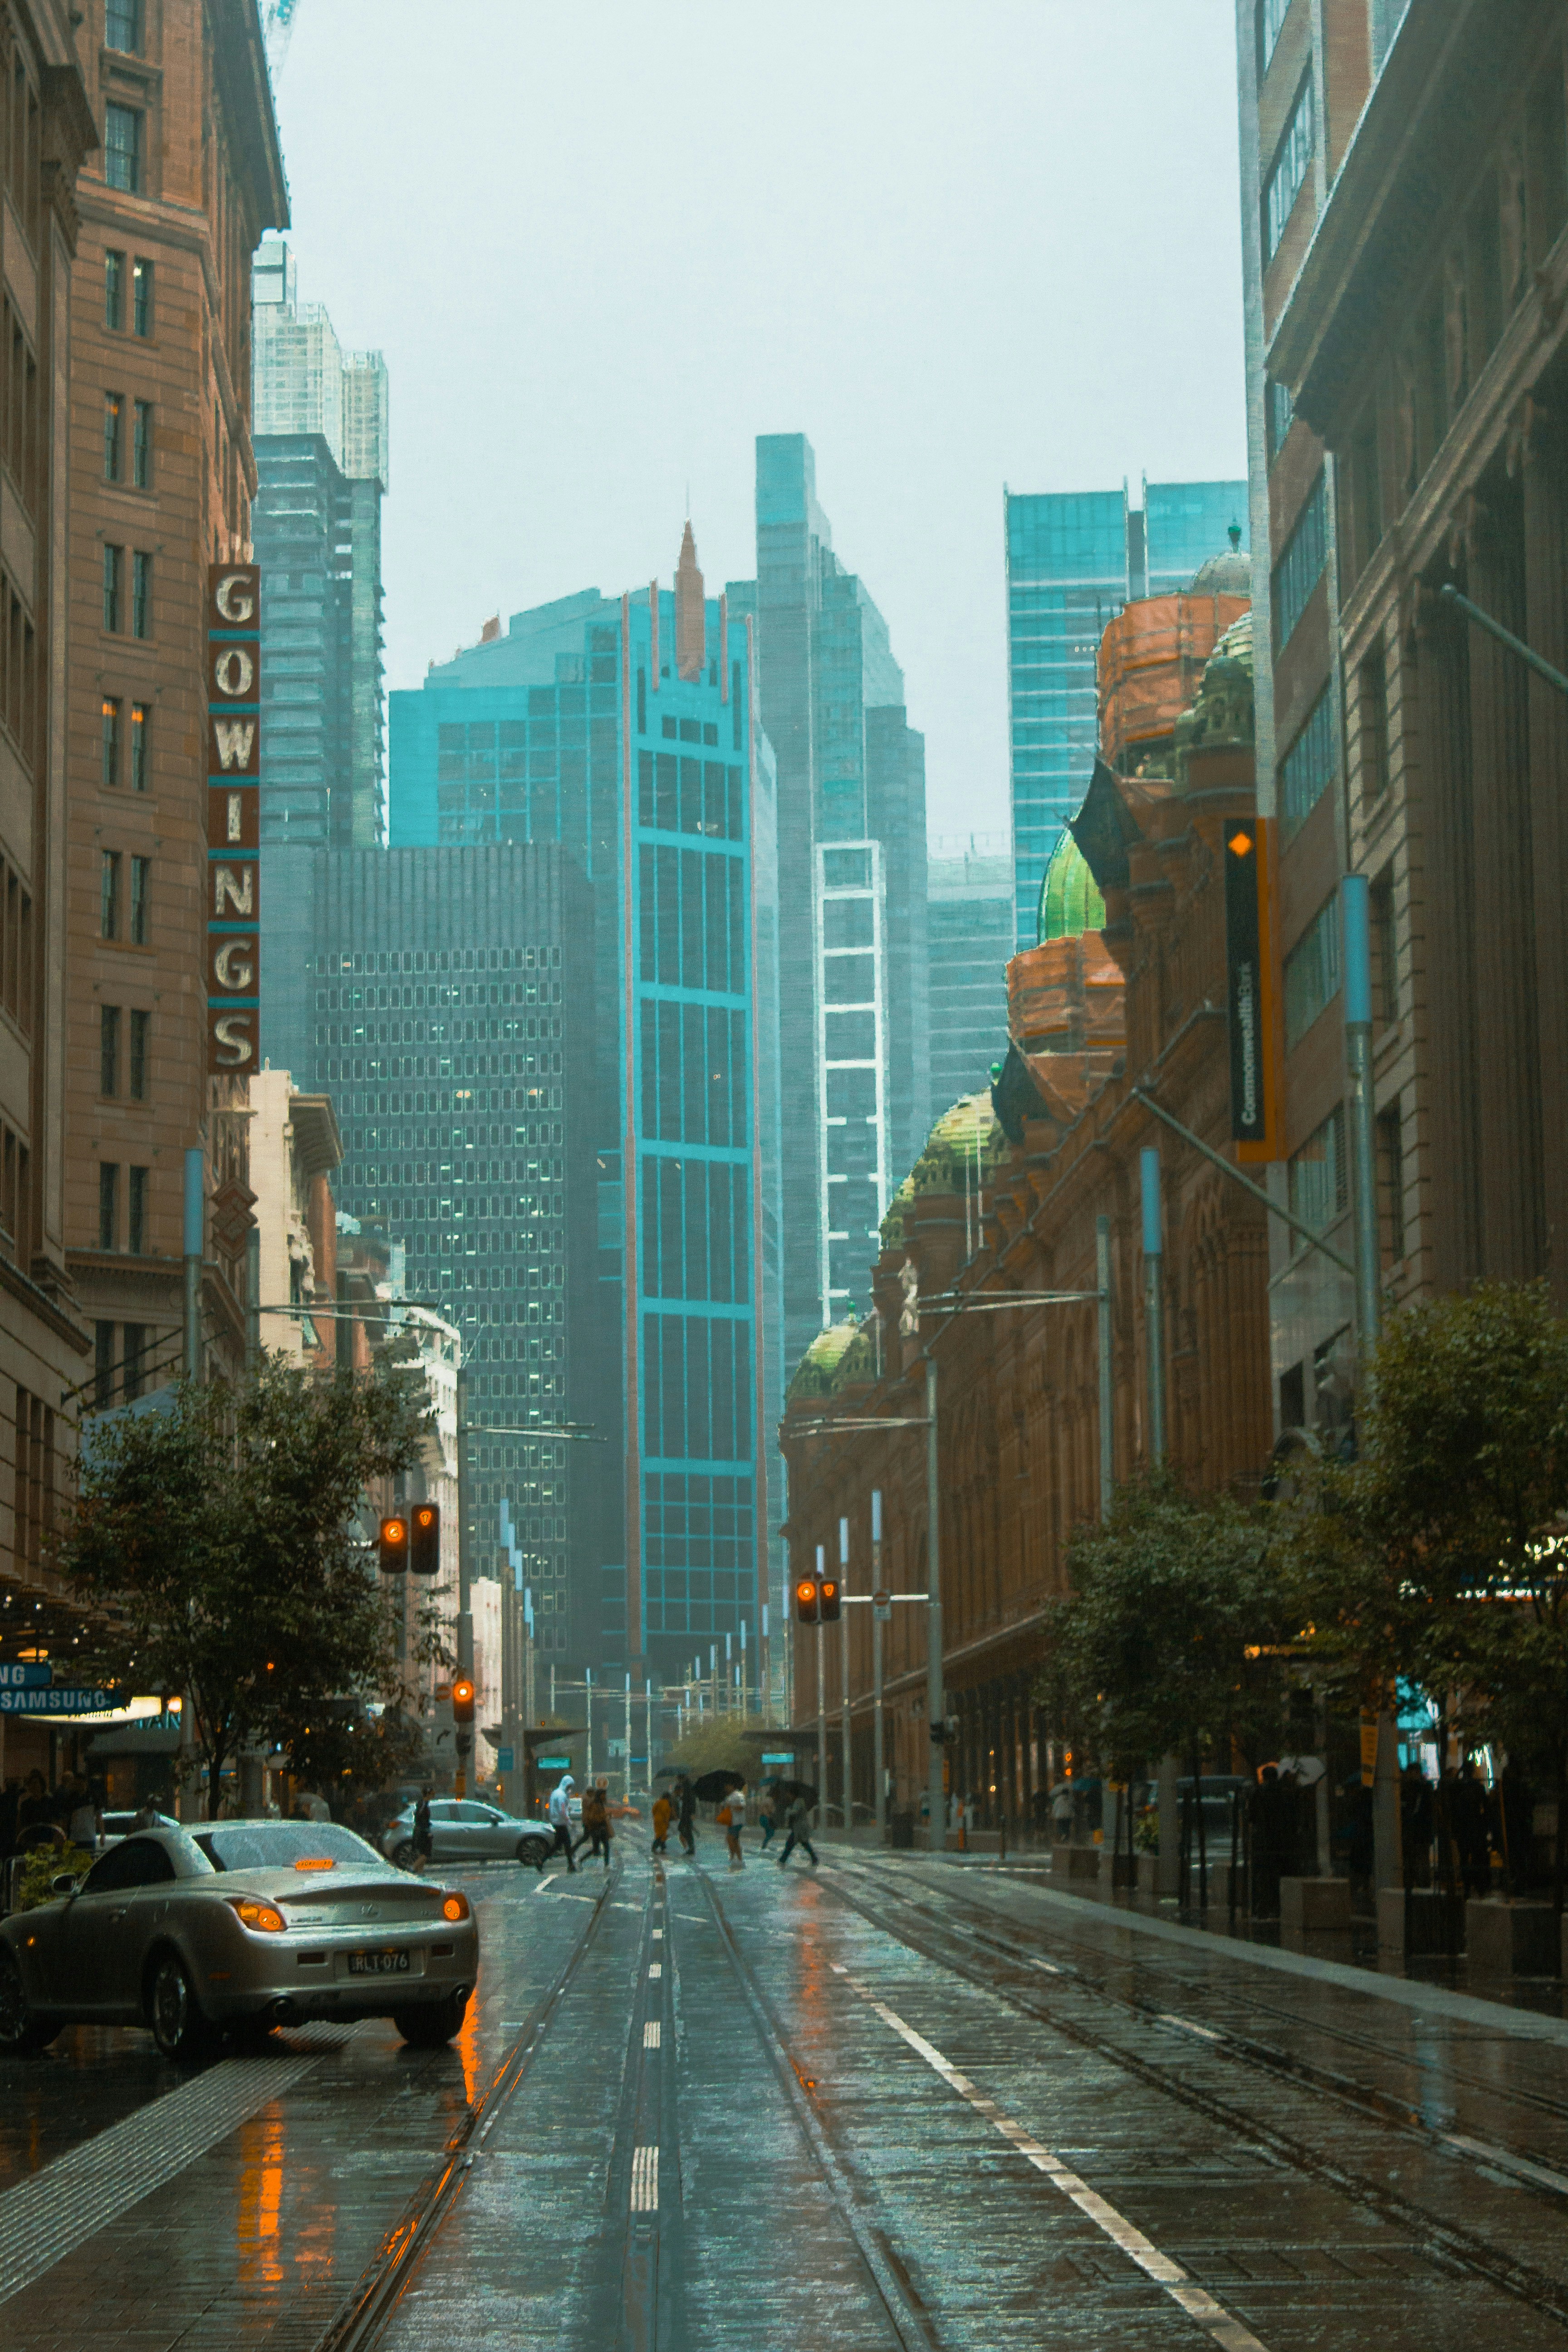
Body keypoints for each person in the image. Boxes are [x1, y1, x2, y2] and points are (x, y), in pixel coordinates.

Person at [777, 1792, 818, 1869]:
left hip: (799, 1829)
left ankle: (782, 1861)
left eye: (790, 1794)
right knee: (804, 1844)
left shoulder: (798, 1802)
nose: (789, 1796)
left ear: (793, 1794)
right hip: (798, 1829)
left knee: (790, 1844)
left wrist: (788, 1811)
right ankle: (815, 1859)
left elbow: (795, 1812)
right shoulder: (797, 1802)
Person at [547, 1773, 578, 1872]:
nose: (570, 1788)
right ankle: (571, 1866)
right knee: (567, 1844)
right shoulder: (561, 1795)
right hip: (561, 1823)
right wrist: (569, 1822)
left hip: (556, 1821)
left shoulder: (555, 1793)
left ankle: (542, 1861)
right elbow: (562, 1811)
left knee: (559, 1844)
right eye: (570, 1786)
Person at [579, 1779, 612, 1868]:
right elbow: (593, 1817)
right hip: (597, 1830)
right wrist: (604, 1816)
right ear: (600, 1795)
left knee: (605, 1847)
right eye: (604, 1795)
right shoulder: (595, 1804)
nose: (605, 1796)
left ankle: (606, 1864)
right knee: (597, 1848)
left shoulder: (600, 1804)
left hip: (601, 1829)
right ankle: (582, 1860)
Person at [719, 1783, 745, 1868]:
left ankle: (733, 1858)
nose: (726, 1787)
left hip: (738, 1822)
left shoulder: (740, 1795)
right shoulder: (729, 1797)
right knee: (735, 1841)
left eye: (728, 1785)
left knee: (730, 1839)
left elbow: (742, 1806)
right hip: (731, 1822)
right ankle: (739, 1860)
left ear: (733, 1786)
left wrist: (732, 1807)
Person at [675, 1777, 696, 1860]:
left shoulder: (688, 1786)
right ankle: (691, 1848)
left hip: (687, 1813)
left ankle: (691, 1848)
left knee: (687, 1830)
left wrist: (693, 1813)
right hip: (685, 1813)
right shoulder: (684, 1786)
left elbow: (692, 1800)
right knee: (683, 1829)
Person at [413, 1788, 433, 1871]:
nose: (433, 1796)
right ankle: (414, 1868)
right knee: (425, 1853)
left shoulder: (424, 1804)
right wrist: (426, 1829)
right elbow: (420, 1817)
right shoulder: (423, 1804)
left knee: (423, 1853)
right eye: (432, 1794)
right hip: (423, 1832)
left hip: (422, 1830)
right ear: (428, 1794)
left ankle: (420, 1871)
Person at [651, 1790, 672, 1855]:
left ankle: (663, 1848)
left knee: (661, 1834)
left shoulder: (658, 1802)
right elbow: (665, 1813)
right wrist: (667, 1821)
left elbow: (653, 1810)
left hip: (657, 1820)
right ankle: (655, 1847)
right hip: (663, 1821)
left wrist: (656, 1816)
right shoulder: (666, 1803)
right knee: (661, 1835)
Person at [757, 1786, 777, 1852]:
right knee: (771, 1833)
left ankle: (764, 1846)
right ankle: (764, 1847)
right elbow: (769, 1810)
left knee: (768, 1832)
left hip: (762, 1818)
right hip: (766, 1818)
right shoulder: (770, 1800)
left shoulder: (765, 1799)